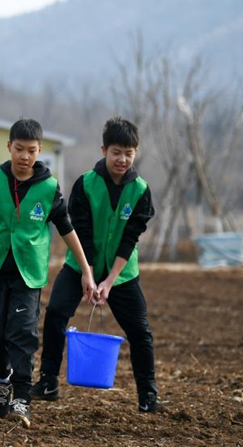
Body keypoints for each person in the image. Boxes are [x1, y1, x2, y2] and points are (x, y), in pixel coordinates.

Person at [0, 119, 95, 428]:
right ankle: (2, 379)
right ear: (9, 147)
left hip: (28, 274)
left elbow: (67, 230)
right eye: (19, 149)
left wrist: (86, 271)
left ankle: (21, 397)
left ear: (39, 150)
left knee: (23, 335)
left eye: (31, 151)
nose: (25, 156)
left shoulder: (49, 187)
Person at [31, 117, 162, 413]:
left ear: (136, 153)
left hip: (122, 272)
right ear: (104, 150)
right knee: (55, 314)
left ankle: (148, 395)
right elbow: (82, 234)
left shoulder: (141, 190)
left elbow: (131, 238)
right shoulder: (86, 184)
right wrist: (88, 275)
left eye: (129, 153)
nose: (122, 159)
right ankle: (48, 382)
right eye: (117, 152)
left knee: (140, 331)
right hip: (79, 265)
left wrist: (110, 280)